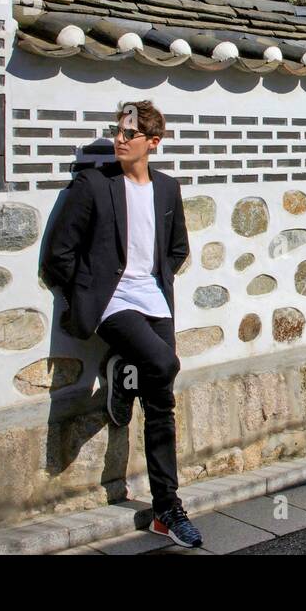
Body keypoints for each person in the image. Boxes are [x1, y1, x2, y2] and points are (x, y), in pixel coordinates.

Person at [41, 99, 202, 548]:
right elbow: (58, 254)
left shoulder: (167, 189)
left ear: (152, 142)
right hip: (113, 303)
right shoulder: (94, 185)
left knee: (162, 402)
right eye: (117, 131)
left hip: (154, 300)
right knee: (164, 363)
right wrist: (87, 293)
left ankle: (166, 509)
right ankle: (125, 374)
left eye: (129, 134)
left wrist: (160, 279)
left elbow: (177, 248)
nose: (119, 139)